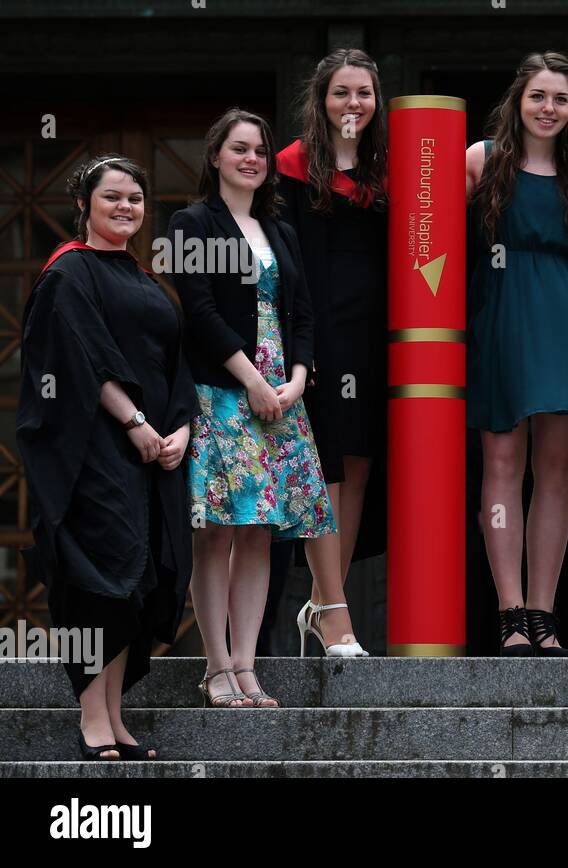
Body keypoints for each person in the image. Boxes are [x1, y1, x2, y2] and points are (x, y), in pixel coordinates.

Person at [19, 155, 197, 758]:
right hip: (93, 454)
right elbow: (78, 357)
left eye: (136, 199)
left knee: (138, 581)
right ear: (85, 204)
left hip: (151, 456)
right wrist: (135, 421)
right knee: (102, 579)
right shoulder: (69, 273)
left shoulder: (145, 279)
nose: (126, 207)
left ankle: (116, 716)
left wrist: (181, 430)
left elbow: (175, 365)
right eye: (113, 197)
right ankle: (92, 717)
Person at [170, 109, 336, 707]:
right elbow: (201, 314)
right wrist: (253, 383)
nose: (252, 160)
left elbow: (304, 317)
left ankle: (246, 666)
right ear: (214, 156)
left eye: (261, 152)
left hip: (282, 399)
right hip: (222, 394)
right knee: (216, 532)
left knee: (263, 533)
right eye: (239, 149)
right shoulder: (191, 224)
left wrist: (292, 382)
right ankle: (215, 667)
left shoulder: (280, 230)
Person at [465, 51, 568, 656]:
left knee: (556, 473)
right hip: (498, 316)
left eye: (561, 99)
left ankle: (543, 614)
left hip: (563, 320)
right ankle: (509, 616)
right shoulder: (481, 160)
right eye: (538, 97)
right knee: (502, 465)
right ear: (517, 102)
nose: (549, 108)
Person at [277, 48, 388, 657]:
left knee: (362, 462)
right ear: (321, 101)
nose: (353, 104)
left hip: (374, 335)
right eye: (342, 92)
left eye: (364, 93)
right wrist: (300, 342)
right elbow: (284, 266)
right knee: (327, 469)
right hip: (320, 334)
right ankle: (333, 612)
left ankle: (326, 605)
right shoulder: (292, 168)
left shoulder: (388, 173)